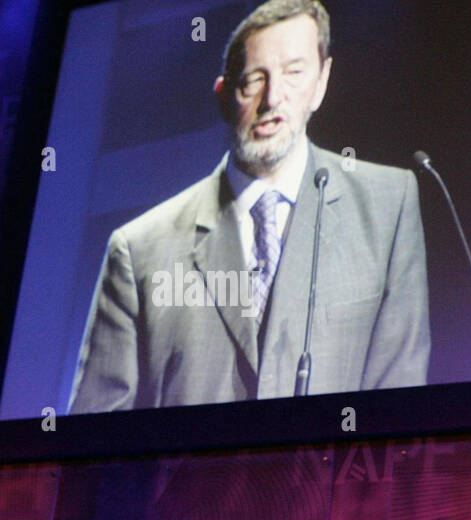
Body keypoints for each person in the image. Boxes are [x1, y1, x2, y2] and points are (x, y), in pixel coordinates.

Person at [69, 0, 429, 413]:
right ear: (224, 95)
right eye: (254, 80)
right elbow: (97, 440)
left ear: (322, 80)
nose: (273, 99)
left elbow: (398, 405)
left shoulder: (389, 206)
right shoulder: (139, 249)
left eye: (294, 72)